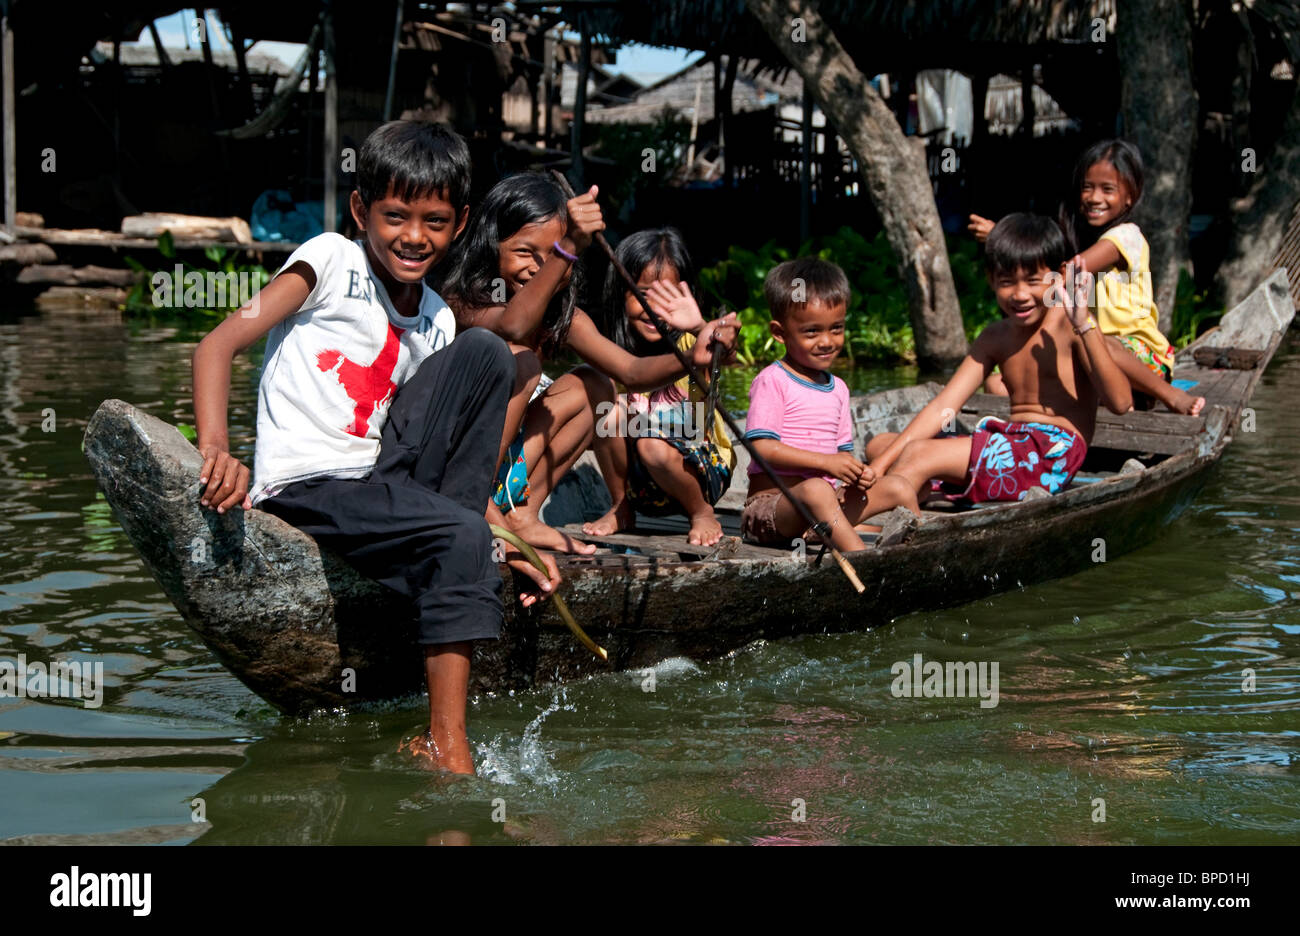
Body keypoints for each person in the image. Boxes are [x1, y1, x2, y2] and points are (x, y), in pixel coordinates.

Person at [190, 121, 558, 776]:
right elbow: (217, 346)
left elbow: (446, 433)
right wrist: (216, 449)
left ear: (460, 222)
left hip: (385, 487)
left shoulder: (440, 317)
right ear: (362, 211)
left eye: (436, 222)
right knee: (462, 538)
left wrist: (505, 536)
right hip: (312, 485)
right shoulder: (331, 258)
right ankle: (447, 745)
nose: (414, 237)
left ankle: (459, 539)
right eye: (394, 216)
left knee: (487, 353)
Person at [437, 178, 737, 551]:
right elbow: (513, 324)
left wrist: (692, 358)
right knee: (522, 361)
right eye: (525, 252)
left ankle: (520, 516)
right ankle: (476, 500)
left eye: (552, 255)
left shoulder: (565, 316)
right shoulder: (461, 300)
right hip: (456, 460)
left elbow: (630, 372)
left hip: (510, 459)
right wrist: (568, 249)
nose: (539, 268)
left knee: (596, 385)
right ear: (489, 245)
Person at [862, 213, 1133, 517]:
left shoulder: (1070, 325)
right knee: (882, 445)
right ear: (991, 280)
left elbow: (1121, 402)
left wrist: (1084, 325)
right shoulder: (995, 336)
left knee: (917, 453)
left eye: (1033, 281)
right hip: (1012, 445)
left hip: (1051, 457)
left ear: (1057, 278)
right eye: (1007, 282)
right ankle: (912, 491)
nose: (1019, 295)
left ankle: (856, 522)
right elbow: (944, 408)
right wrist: (879, 465)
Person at [972, 140, 1204, 415]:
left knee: (1101, 339)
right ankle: (1103, 402)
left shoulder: (1125, 237)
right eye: (1087, 187)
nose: (1094, 198)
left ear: (1131, 195)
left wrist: (1004, 239)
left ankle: (1169, 394)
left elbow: (1070, 271)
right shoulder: (1077, 238)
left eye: (1108, 189)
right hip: (1091, 360)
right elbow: (1050, 280)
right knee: (998, 384)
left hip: (1140, 360)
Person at [580, 228, 738, 547]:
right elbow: (602, 429)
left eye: (665, 298)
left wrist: (701, 327)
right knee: (608, 412)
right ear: (620, 294)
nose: (653, 310)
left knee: (652, 443)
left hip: (701, 470)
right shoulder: (613, 355)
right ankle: (620, 506)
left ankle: (701, 512)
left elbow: (727, 354)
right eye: (641, 295)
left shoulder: (695, 343)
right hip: (642, 485)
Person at [739, 258, 875, 553]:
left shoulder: (838, 388)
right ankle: (865, 562)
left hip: (822, 506)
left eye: (836, 328)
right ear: (779, 332)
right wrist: (826, 463)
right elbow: (760, 448)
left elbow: (843, 454)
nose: (827, 341)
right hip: (771, 511)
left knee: (897, 487)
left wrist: (857, 472)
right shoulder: (773, 380)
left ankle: (919, 553)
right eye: (812, 332)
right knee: (815, 490)